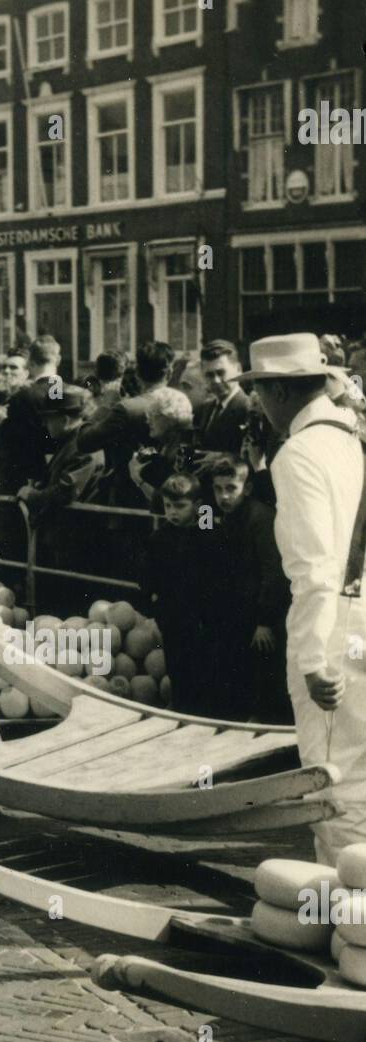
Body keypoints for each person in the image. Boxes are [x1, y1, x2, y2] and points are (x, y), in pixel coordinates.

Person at [241, 332, 366, 862]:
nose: (260, 404)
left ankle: (350, 926)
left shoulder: (298, 454)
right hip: (358, 613)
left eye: (261, 391)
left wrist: (314, 657)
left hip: (332, 623)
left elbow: (315, 565)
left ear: (281, 392)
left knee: (335, 780)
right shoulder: (350, 437)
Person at [210, 457, 291, 723]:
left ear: (247, 488)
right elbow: (203, 534)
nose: (223, 496)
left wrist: (264, 621)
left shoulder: (261, 519)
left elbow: (274, 573)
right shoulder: (216, 513)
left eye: (230, 488)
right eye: (218, 488)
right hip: (235, 609)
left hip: (259, 613)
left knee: (263, 675)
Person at [139, 473, 215, 717]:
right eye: (168, 506)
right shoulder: (159, 538)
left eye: (180, 506)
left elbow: (210, 528)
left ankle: (199, 710)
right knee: (175, 661)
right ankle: (181, 704)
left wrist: (203, 512)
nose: (172, 512)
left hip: (201, 613)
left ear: (196, 506)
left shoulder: (206, 534)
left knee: (202, 664)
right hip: (171, 613)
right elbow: (147, 577)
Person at [77, 343, 177, 502]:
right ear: (170, 373)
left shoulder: (127, 409)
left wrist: (104, 407)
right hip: (173, 492)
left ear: (137, 373)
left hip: (130, 496)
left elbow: (84, 442)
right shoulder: (181, 402)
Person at [18, 385, 105, 528]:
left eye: (48, 419)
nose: (45, 424)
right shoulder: (73, 441)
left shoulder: (83, 446)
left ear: (65, 420)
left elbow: (66, 492)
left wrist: (32, 495)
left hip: (75, 535)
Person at [0, 334, 62, 490]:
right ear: (57, 360)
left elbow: (13, 444)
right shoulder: (66, 392)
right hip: (61, 474)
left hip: (30, 480)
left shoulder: (23, 397)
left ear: (30, 363)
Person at [128, 386, 194, 505]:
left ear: (170, 418)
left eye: (153, 415)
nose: (148, 421)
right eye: (148, 416)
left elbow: (174, 502)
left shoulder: (183, 452)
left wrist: (137, 478)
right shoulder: (165, 445)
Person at [194, 340, 250, 454]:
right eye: (209, 375)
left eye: (221, 373)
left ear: (238, 369)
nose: (216, 380)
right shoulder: (204, 409)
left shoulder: (248, 409)